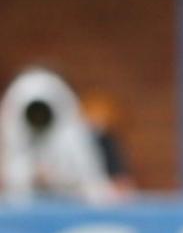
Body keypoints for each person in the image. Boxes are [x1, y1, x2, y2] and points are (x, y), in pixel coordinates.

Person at [0, 68, 116, 203]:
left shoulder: (72, 138)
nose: (39, 118)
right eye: (35, 113)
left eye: (42, 113)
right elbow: (10, 182)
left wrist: (57, 178)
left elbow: (93, 184)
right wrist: (31, 176)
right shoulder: (14, 136)